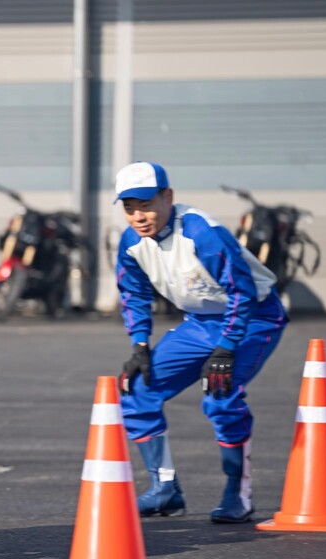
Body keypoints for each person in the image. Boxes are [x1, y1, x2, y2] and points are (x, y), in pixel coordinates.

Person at [113, 161, 288, 523]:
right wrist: (140, 345)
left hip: (253, 317)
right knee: (138, 391)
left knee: (221, 394)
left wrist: (227, 346)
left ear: (168, 197)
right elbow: (134, 294)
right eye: (129, 208)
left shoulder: (201, 232)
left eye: (146, 204)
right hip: (200, 322)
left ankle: (238, 493)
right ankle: (164, 489)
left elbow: (241, 290)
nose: (138, 216)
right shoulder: (131, 242)